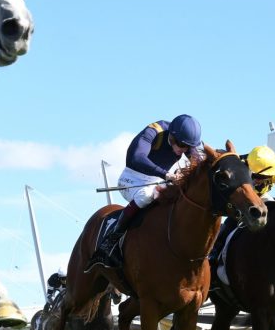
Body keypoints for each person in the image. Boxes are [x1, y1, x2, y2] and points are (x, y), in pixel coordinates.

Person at [87, 115, 204, 269]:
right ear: (172, 136)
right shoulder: (154, 131)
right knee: (147, 194)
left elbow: (202, 164)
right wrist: (166, 174)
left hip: (158, 181)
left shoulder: (187, 141)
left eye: (187, 147)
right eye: (181, 145)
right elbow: (136, 157)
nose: (183, 150)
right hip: (132, 179)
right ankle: (111, 241)